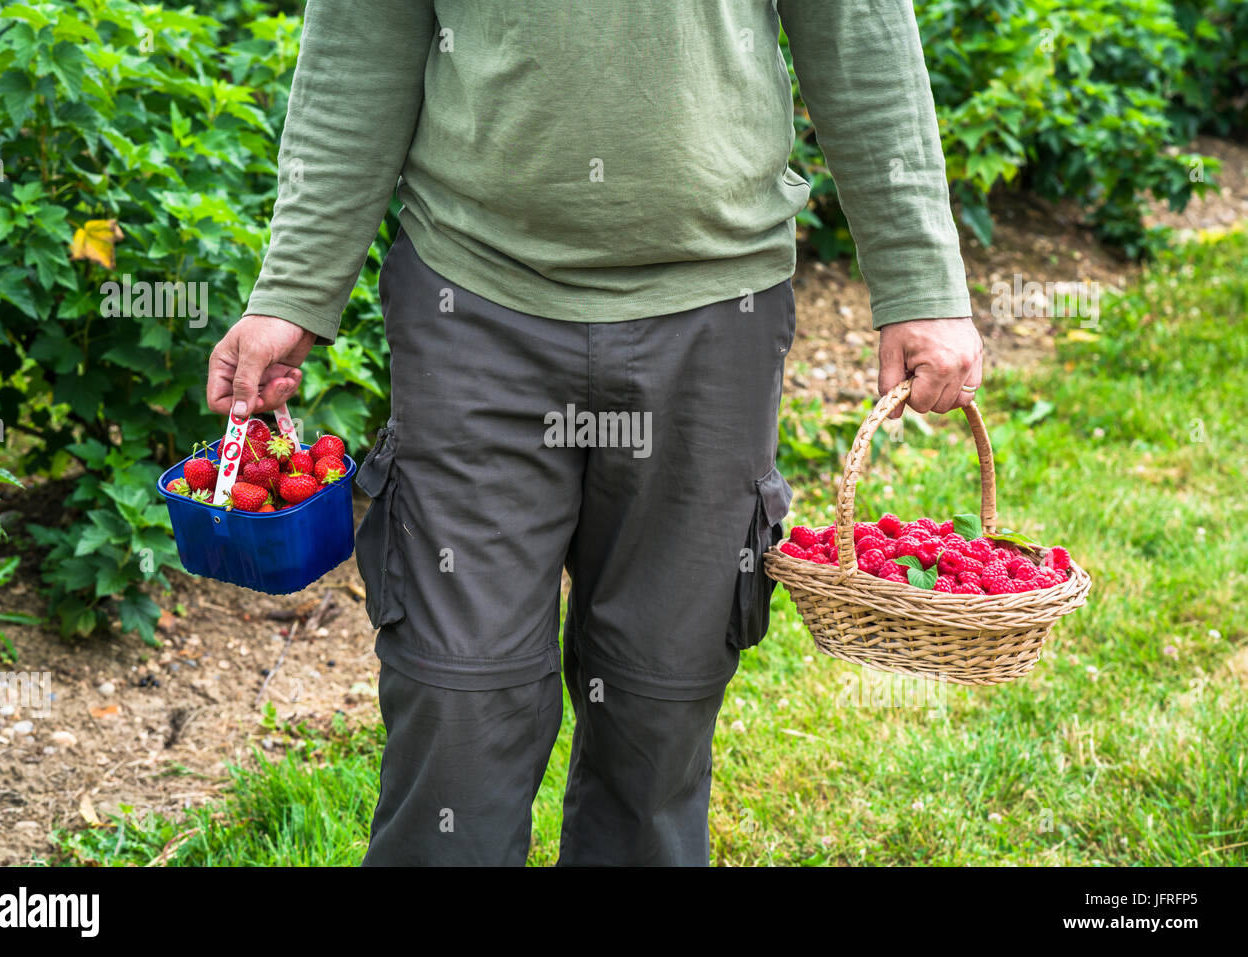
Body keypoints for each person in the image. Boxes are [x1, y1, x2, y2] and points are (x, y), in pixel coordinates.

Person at [206, 0, 983, 866]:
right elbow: (361, 37)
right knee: (457, 697)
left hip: (712, 309)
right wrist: (293, 287)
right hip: (475, 299)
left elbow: (858, 25)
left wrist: (920, 278)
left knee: (658, 703)